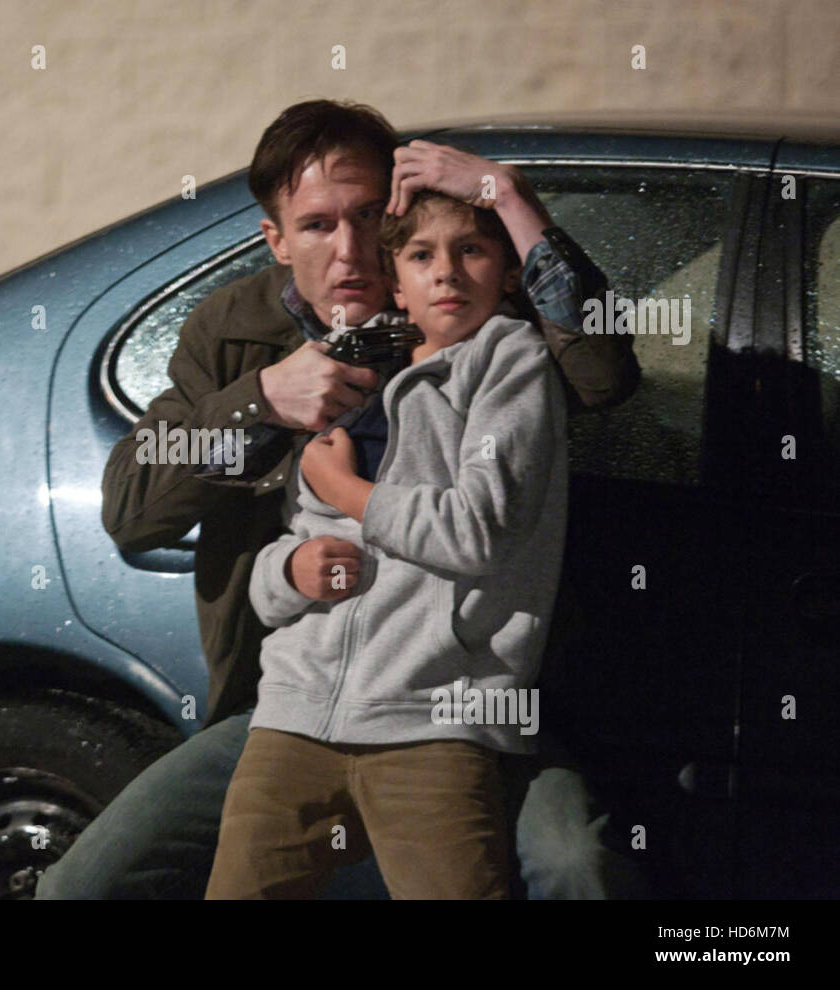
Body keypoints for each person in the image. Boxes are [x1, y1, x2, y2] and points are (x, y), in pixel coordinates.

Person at [34, 99, 642, 900]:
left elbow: (602, 370)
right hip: (293, 701)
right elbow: (133, 506)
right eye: (318, 226)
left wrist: (504, 194)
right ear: (276, 240)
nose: (351, 251)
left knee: (574, 864)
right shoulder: (234, 333)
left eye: (366, 217)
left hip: (451, 700)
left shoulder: (458, 307)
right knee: (84, 887)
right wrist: (260, 403)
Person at [205, 189, 566, 898]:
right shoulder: (357, 374)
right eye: (421, 255)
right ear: (394, 281)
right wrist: (291, 572)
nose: (448, 274)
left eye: (472, 250)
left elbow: (478, 532)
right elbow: (287, 557)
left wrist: (345, 491)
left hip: (434, 717)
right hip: (296, 712)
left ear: (510, 272)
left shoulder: (509, 362)